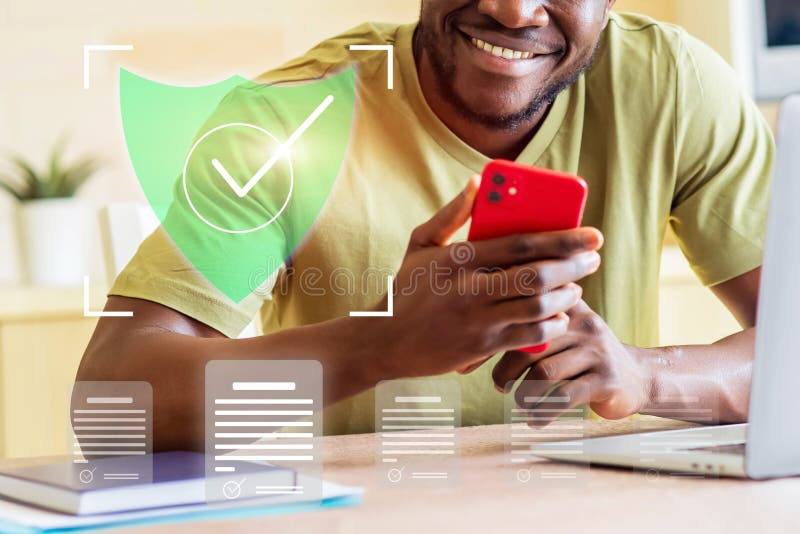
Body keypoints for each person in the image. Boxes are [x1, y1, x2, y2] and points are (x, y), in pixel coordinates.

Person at [79, 0, 773, 451]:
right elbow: (112, 406)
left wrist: (646, 377)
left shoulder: (671, 86)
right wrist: (378, 344)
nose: (512, 8)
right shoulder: (289, 117)